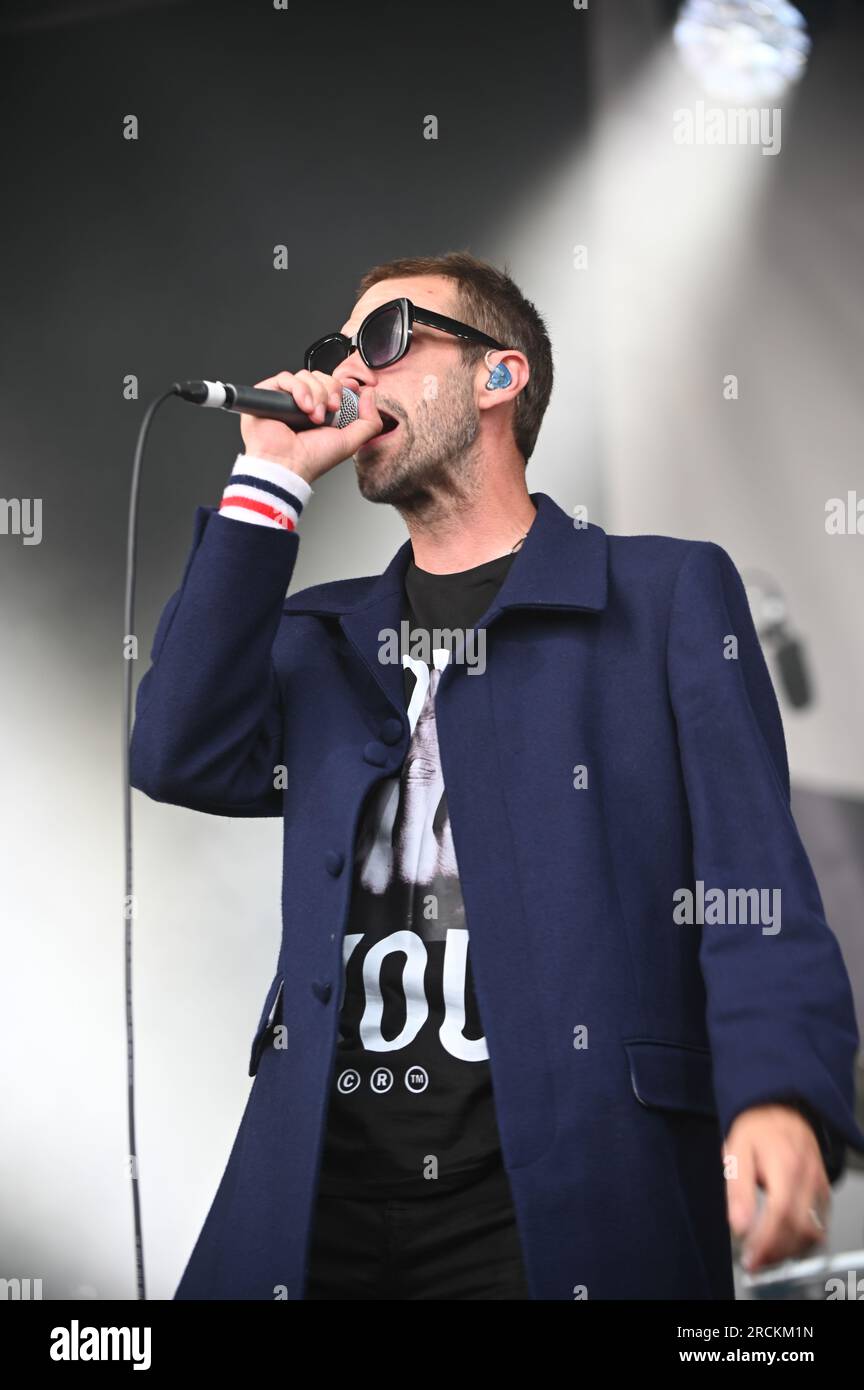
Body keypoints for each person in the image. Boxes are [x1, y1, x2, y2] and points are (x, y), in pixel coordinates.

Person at [129, 250, 864, 1301]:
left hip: (558, 1199)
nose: (351, 375)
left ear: (499, 378)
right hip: (318, 1201)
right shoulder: (322, 635)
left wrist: (782, 1092)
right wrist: (270, 482)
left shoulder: (660, 598)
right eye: (336, 352)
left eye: (386, 339)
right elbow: (175, 752)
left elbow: (756, 881)